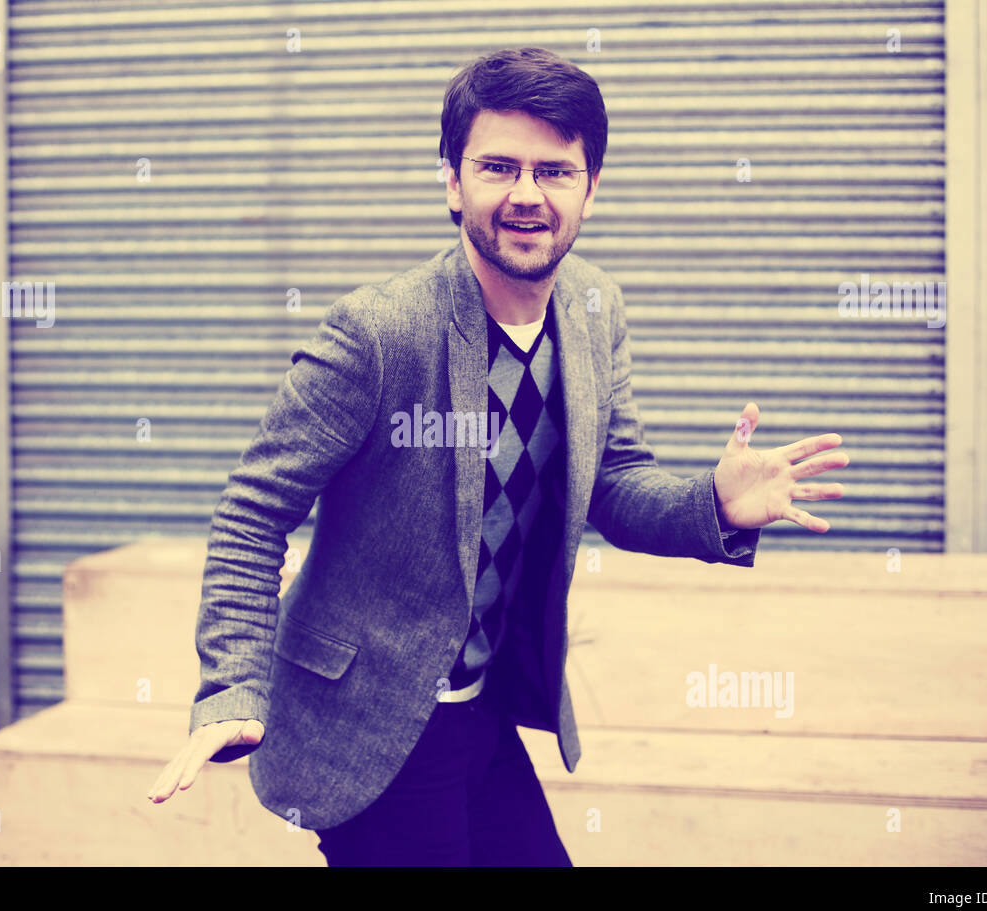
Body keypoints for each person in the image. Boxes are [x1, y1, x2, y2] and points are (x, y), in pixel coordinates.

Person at [147, 46, 848, 866]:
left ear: (591, 188)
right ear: (453, 182)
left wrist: (713, 504)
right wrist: (232, 683)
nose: (526, 194)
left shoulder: (592, 309)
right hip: (371, 721)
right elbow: (251, 511)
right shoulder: (377, 333)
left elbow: (613, 482)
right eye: (498, 167)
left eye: (554, 171)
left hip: (482, 707)